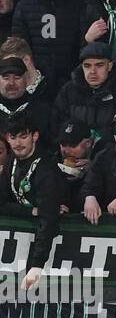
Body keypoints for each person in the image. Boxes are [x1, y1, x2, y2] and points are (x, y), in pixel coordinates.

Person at [3, 113, 68, 291]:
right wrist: (29, 212)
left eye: (23, 136)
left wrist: (37, 265)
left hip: (55, 247)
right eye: (13, 137)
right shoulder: (11, 161)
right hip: (21, 246)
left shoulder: (46, 169)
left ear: (35, 136)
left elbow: (48, 221)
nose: (18, 143)